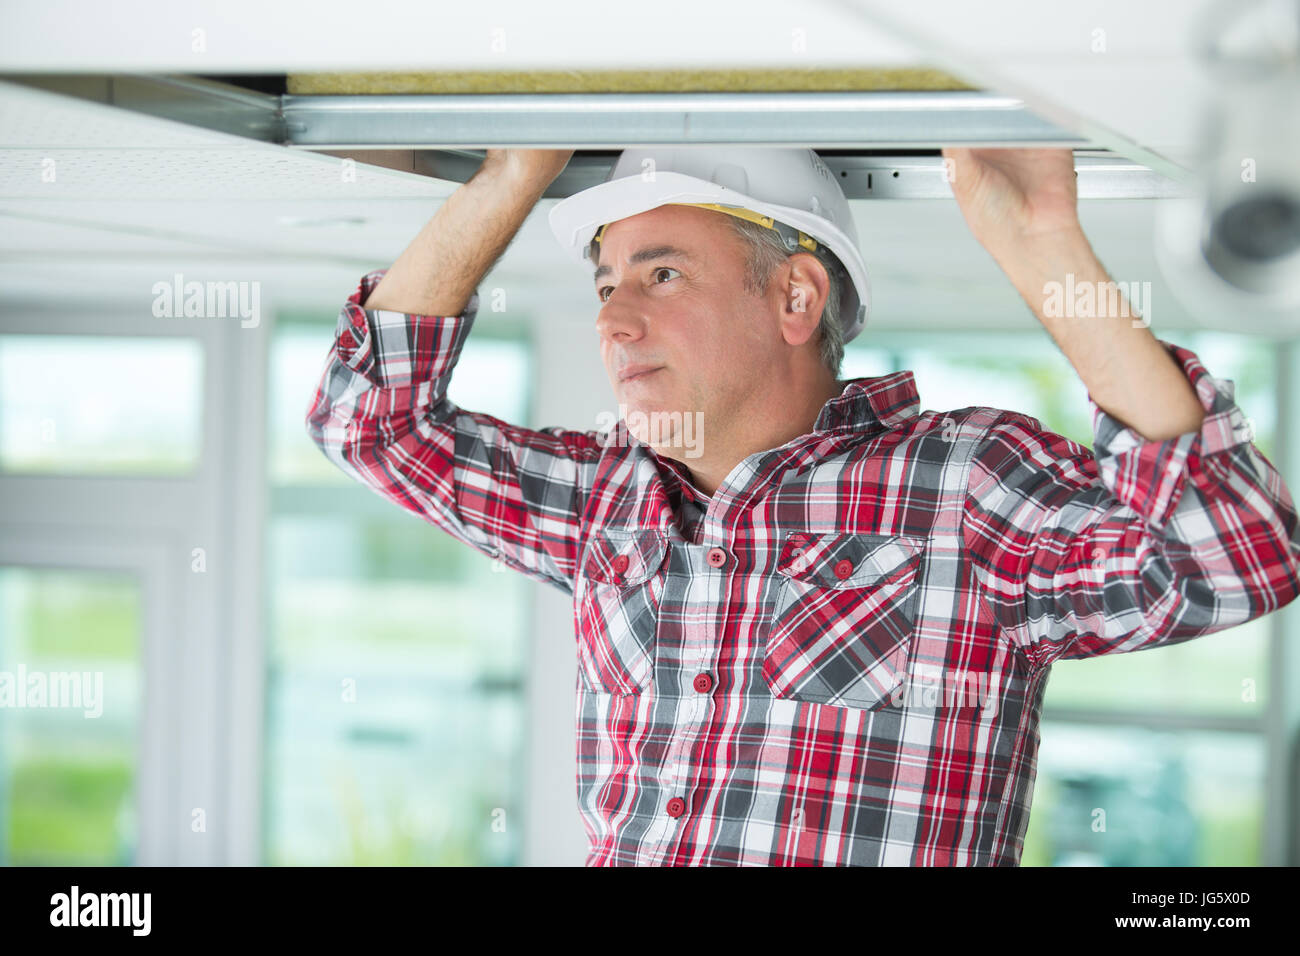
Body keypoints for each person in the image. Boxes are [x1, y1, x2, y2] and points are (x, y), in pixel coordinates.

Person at [305, 146, 1300, 865]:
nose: (611, 318)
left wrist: (1043, 247)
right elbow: (366, 421)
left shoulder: (961, 487)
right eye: (607, 282)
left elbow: (1237, 557)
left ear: (795, 299)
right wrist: (510, 175)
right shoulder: (605, 500)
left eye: (660, 274)